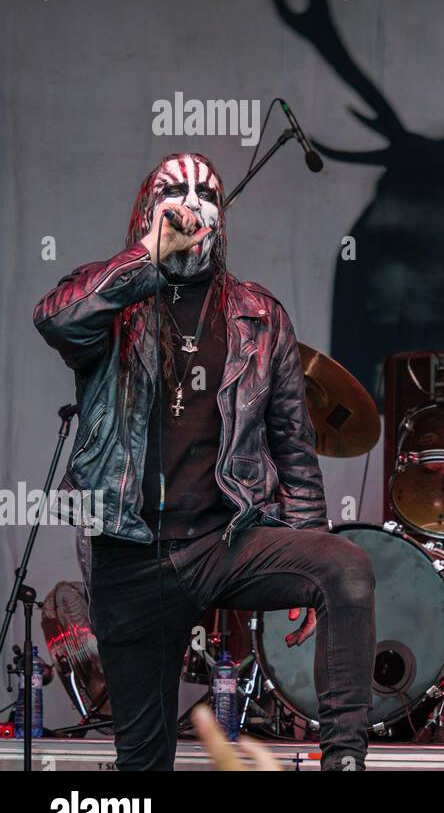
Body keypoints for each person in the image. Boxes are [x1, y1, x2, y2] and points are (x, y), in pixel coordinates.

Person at [33, 152, 376, 770]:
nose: (193, 206)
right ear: (148, 208)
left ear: (223, 219)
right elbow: (55, 322)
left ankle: (344, 762)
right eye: (175, 193)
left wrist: (304, 539)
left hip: (226, 542)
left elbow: (293, 446)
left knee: (345, 569)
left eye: (208, 196)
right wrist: (147, 256)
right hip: (130, 552)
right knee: (142, 766)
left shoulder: (259, 315)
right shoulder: (112, 297)